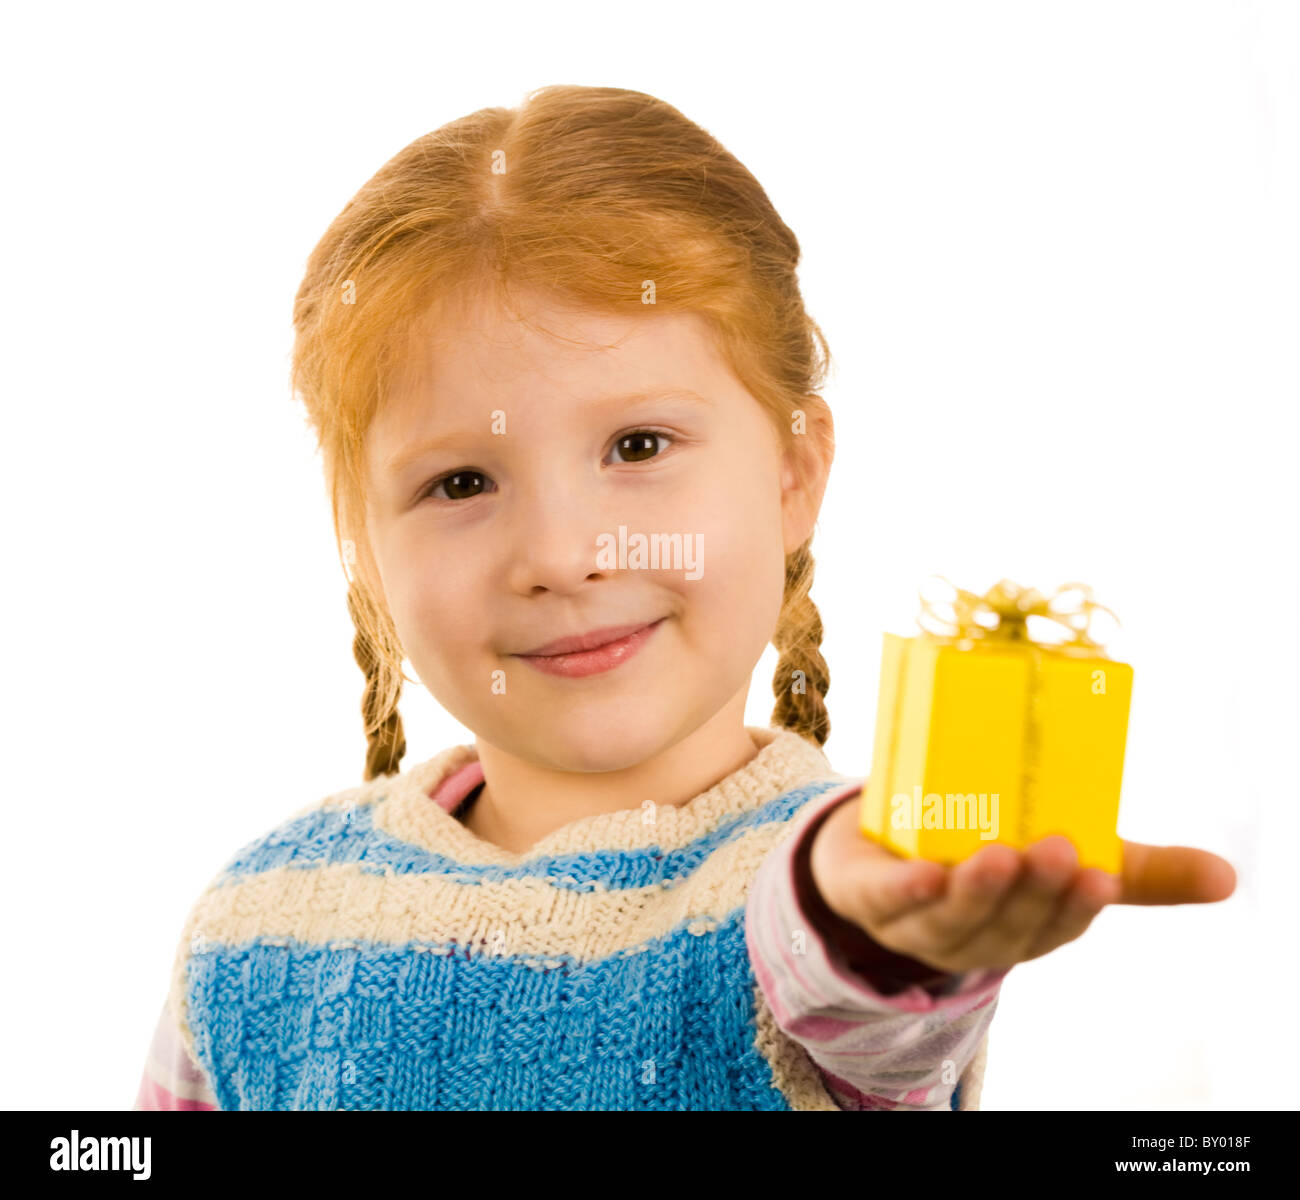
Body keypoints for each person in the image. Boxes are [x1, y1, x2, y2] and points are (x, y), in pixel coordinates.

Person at [133, 84, 1235, 1112]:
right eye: (459, 481)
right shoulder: (254, 924)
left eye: (638, 444)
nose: (562, 555)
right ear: (362, 548)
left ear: (793, 474)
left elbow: (837, 963)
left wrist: (878, 916)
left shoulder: (822, 893)